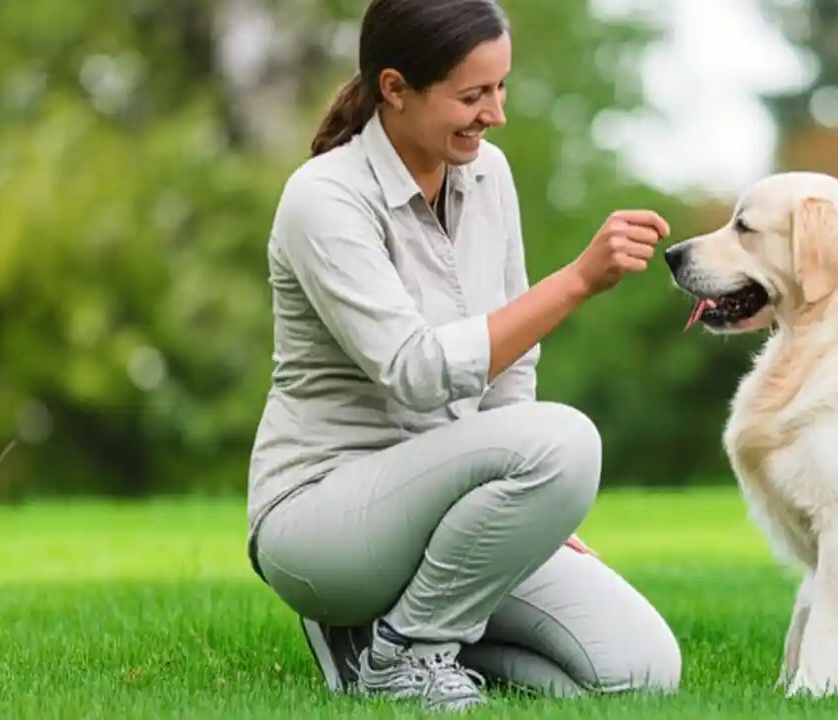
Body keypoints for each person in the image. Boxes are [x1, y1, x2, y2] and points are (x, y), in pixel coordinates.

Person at [244, 0, 681, 711]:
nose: (496, 113)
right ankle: (402, 656)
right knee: (568, 439)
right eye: (473, 95)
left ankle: (391, 641)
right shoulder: (322, 199)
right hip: (325, 522)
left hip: (457, 513)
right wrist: (574, 283)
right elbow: (415, 373)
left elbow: (512, 370)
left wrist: (541, 508)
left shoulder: (488, 176)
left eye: (500, 88)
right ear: (395, 88)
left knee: (641, 669)